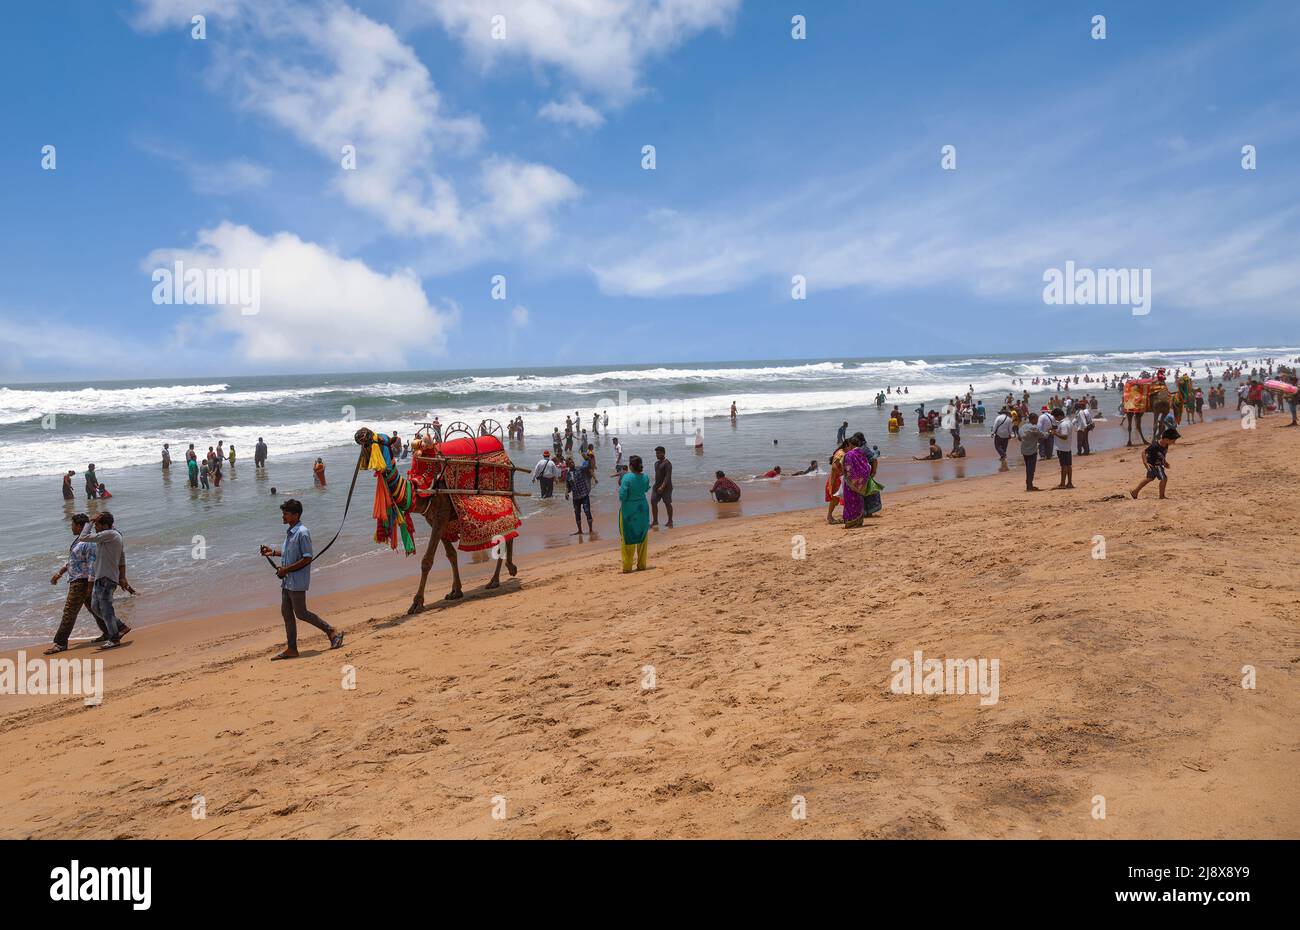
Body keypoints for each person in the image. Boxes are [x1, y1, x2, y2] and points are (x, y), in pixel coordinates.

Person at [259, 499, 344, 660]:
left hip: (296, 581)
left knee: (301, 613)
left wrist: (286, 570)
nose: (283, 516)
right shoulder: (291, 532)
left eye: (285, 513)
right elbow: (290, 554)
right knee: (286, 613)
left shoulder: (302, 532)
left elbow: (306, 558)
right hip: (287, 581)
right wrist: (273, 552)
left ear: (295, 515)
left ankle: (331, 631)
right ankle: (292, 648)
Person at [45, 513, 118, 654]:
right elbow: (74, 561)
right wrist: (60, 573)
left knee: (69, 612)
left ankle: (60, 643)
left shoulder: (88, 543)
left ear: (79, 526)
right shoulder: (79, 541)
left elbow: (92, 565)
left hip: (82, 582)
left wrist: (90, 586)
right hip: (79, 580)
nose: (71, 527)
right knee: (94, 609)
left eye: (72, 525)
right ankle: (109, 632)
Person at [78, 511, 135, 648]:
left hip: (106, 578)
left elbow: (83, 537)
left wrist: (90, 521)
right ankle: (120, 627)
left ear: (104, 525)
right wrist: (122, 577)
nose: (95, 527)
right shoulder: (113, 536)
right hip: (102, 576)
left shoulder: (110, 534)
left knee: (105, 609)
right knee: (96, 607)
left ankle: (114, 638)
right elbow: (122, 558)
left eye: (97, 525)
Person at [618, 455, 651, 572]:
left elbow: (622, 496)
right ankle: (641, 565)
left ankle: (627, 567)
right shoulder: (645, 477)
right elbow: (646, 488)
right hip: (643, 509)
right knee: (642, 537)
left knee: (628, 538)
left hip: (629, 511)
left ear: (631, 466)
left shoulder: (627, 478)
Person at [841, 435, 879, 529]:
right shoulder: (861, 452)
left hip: (851, 483)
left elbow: (848, 469)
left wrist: (850, 479)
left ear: (850, 444)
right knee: (858, 501)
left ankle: (851, 522)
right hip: (861, 483)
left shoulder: (849, 455)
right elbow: (867, 466)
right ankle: (859, 520)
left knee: (850, 501)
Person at [1131, 429, 1179, 499]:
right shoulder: (1155, 446)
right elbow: (1144, 452)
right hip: (1155, 465)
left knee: (1149, 478)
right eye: (1173, 440)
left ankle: (1135, 491)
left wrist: (1164, 462)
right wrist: (1145, 463)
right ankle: (1161, 496)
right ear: (1166, 439)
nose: (1174, 442)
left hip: (1158, 464)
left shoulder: (1166, 445)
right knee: (1164, 478)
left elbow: (1162, 454)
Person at [566, 452, 594, 535]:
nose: (572, 464)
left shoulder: (580, 469)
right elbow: (568, 486)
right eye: (570, 463)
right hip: (576, 498)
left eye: (573, 462)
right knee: (577, 513)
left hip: (584, 494)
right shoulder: (568, 475)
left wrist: (588, 459)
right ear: (567, 465)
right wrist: (566, 493)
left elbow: (589, 466)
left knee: (587, 511)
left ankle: (590, 530)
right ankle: (580, 530)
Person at [826, 440, 848, 524]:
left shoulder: (840, 452)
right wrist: (842, 473)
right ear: (847, 445)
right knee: (835, 499)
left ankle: (832, 516)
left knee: (838, 499)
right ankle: (829, 516)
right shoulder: (841, 453)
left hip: (836, 478)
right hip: (836, 479)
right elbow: (834, 466)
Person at [1051, 407, 1075, 489]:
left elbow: (1064, 436)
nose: (1055, 419)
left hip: (1062, 448)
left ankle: (1062, 483)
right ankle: (1069, 483)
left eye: (1055, 417)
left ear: (1059, 416)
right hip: (1067, 447)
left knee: (1064, 466)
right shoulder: (1068, 422)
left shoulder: (1064, 424)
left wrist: (1055, 433)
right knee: (1068, 466)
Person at [1018, 415, 1042, 491]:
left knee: (1028, 468)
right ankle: (1029, 485)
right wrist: (1050, 432)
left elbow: (1019, 437)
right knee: (1031, 469)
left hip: (1024, 450)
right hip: (1032, 451)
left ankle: (1029, 484)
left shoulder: (1022, 427)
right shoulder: (1034, 427)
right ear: (1033, 419)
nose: (1037, 421)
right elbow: (1043, 435)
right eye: (1037, 419)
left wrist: (1026, 441)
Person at [651, 446, 673, 528]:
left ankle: (670, 521)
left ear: (663, 453)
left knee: (667, 503)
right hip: (656, 486)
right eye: (656, 453)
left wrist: (662, 487)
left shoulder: (667, 463)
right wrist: (656, 487)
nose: (657, 455)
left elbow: (668, 476)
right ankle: (655, 521)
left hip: (666, 487)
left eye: (658, 453)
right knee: (653, 501)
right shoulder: (656, 463)